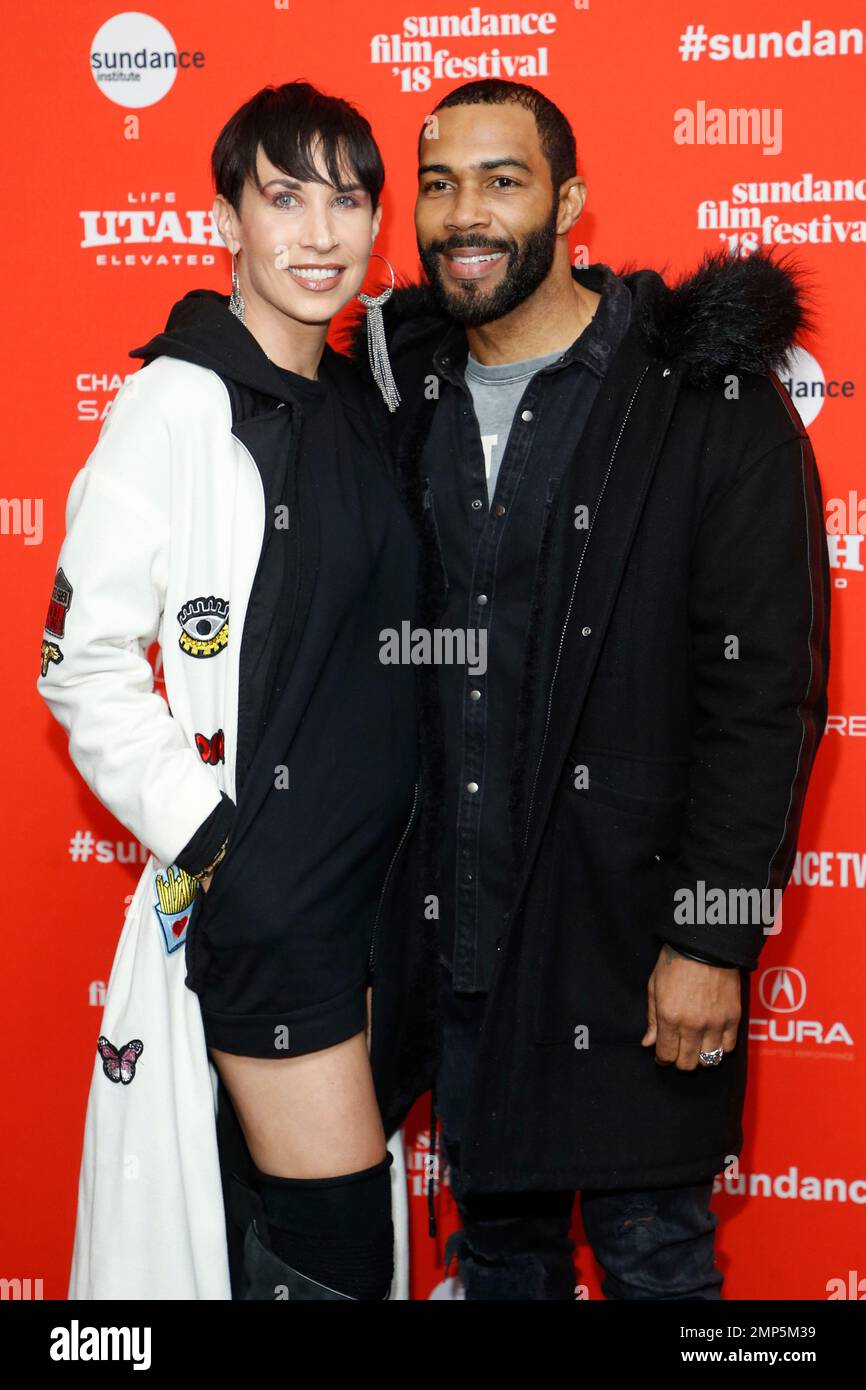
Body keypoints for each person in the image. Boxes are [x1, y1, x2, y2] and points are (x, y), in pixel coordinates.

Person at [349, 79, 830, 1300]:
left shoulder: (704, 404)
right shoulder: (403, 402)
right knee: (499, 1258)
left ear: (567, 203)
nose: (465, 213)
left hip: (630, 944)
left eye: (501, 181)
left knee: (654, 1259)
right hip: (462, 935)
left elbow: (764, 695)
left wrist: (710, 934)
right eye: (440, 182)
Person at [37, 80, 420, 1300]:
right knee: (339, 1245)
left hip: (381, 902)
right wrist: (215, 839)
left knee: (284, 1223)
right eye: (284, 197)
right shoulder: (176, 404)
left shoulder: (372, 399)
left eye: (349, 200)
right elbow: (79, 659)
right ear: (226, 220)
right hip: (274, 906)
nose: (319, 233)